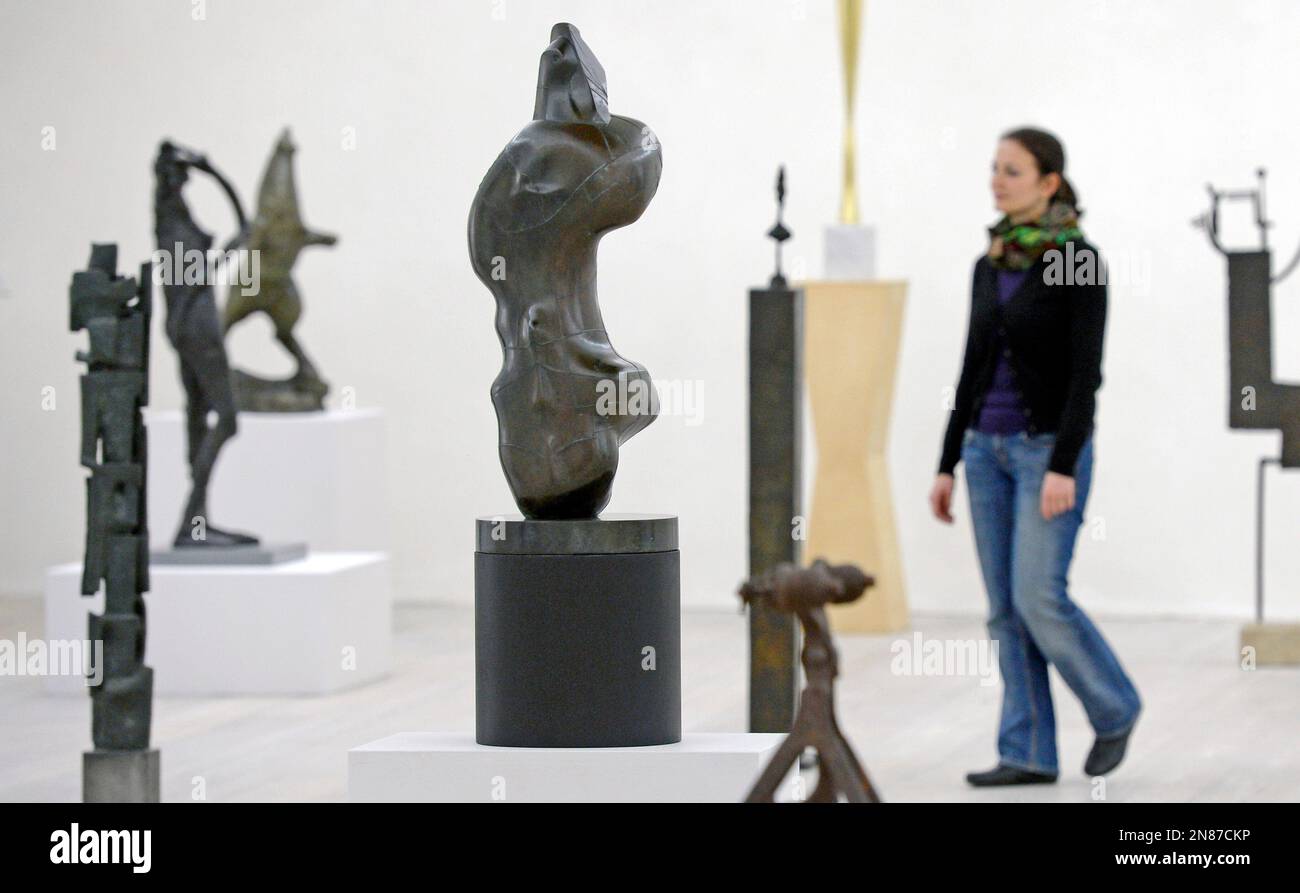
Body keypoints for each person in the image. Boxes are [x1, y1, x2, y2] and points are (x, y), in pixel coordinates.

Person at [929, 127, 1141, 786]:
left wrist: (1062, 464)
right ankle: (1026, 750)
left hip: (1047, 451)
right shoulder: (989, 262)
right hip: (984, 453)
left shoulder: (1077, 260)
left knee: (1038, 597)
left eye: (1013, 170)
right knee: (1004, 608)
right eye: (995, 168)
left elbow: (1087, 377)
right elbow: (970, 365)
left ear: (1050, 182)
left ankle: (1115, 705)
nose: (998, 179)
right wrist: (946, 460)